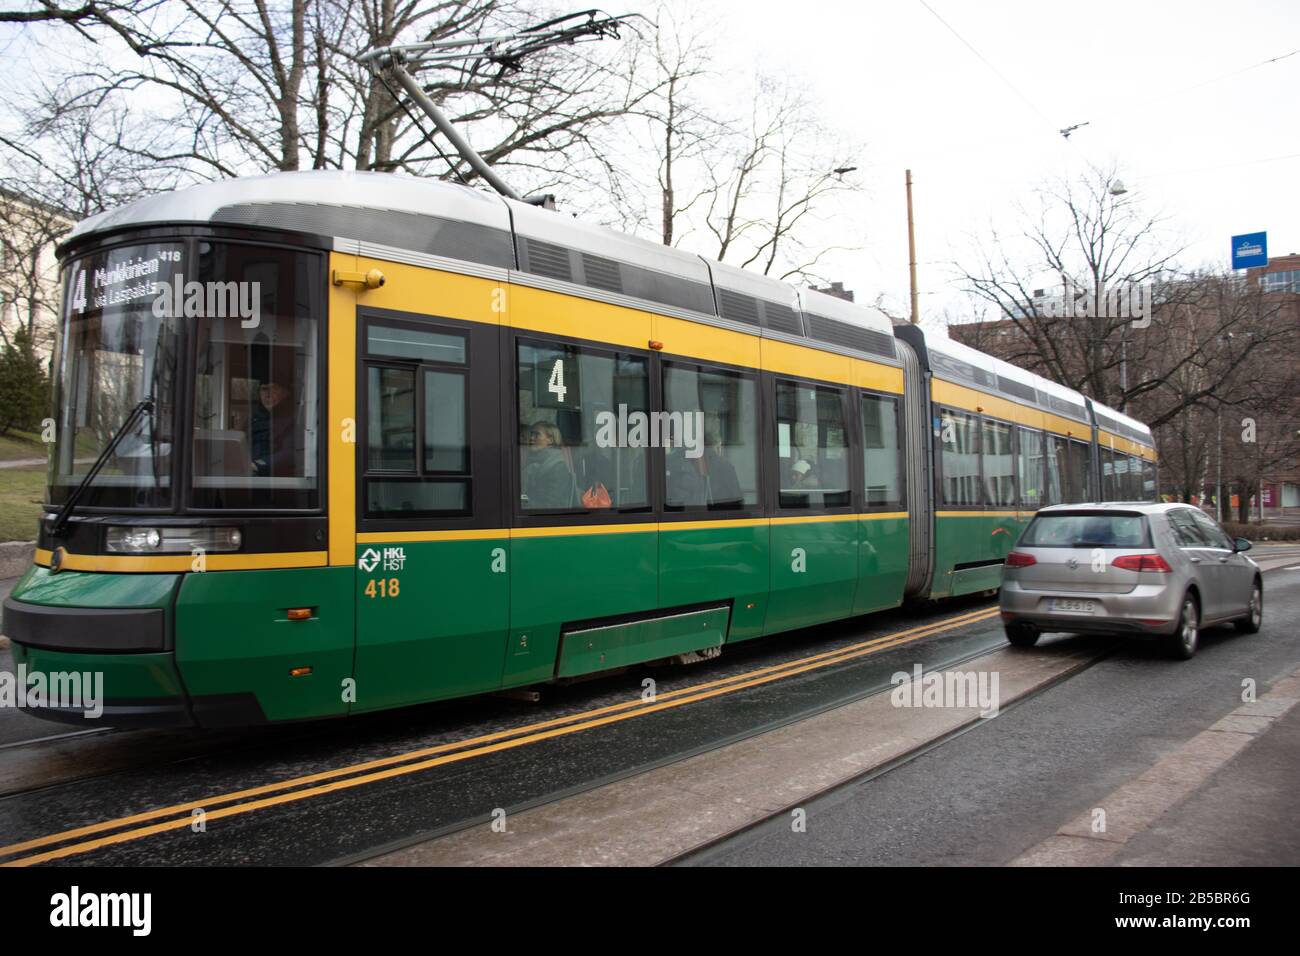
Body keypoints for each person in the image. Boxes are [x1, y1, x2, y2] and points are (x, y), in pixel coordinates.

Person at [522, 421, 577, 509]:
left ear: (550, 440)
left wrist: (522, 504)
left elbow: (550, 505)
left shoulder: (558, 467)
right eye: (531, 434)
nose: (531, 438)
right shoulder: (532, 460)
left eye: (537, 435)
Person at [250, 380, 296, 477]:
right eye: (263, 389)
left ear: (285, 393)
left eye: (273, 389)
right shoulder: (254, 418)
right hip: (250, 476)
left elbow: (290, 452)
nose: (267, 395)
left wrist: (257, 465)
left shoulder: (293, 418)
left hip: (279, 481)